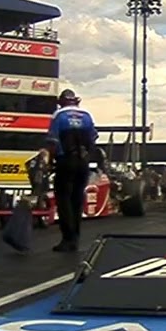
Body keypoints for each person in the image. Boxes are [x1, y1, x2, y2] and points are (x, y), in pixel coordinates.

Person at [46, 89, 99, 253]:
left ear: (61, 101)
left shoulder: (59, 115)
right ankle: (75, 238)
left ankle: (67, 239)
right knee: (77, 199)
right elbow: (94, 138)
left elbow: (52, 141)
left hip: (65, 161)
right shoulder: (87, 116)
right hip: (83, 162)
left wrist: (49, 162)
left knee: (64, 200)